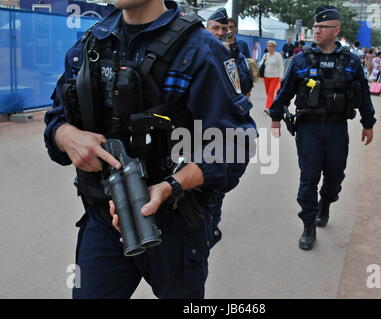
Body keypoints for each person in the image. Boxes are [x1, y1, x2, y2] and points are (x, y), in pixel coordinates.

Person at [44, 0, 256, 299]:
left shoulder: (200, 50)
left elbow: (233, 145)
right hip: (104, 216)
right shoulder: (91, 43)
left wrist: (170, 186)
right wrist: (66, 135)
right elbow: (56, 117)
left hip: (177, 220)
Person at [269, 5, 376, 251]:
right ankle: (308, 224)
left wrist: (367, 123)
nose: (316, 30)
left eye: (322, 27)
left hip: (337, 128)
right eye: (315, 26)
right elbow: (284, 92)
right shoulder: (301, 59)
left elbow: (363, 95)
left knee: (335, 175)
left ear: (336, 29)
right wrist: (276, 117)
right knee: (308, 178)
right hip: (309, 129)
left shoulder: (350, 61)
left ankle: (325, 203)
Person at [206, 8, 253, 96]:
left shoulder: (237, 53)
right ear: (206, 29)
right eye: (215, 28)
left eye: (224, 29)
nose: (220, 33)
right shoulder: (198, 51)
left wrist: (232, 59)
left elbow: (245, 86)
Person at [262, 40, 284, 114]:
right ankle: (272, 103)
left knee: (271, 92)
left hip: (275, 76)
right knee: (268, 92)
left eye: (271, 46)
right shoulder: (265, 55)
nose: (269, 47)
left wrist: (281, 76)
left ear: (274, 47)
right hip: (266, 76)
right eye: (268, 46)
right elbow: (261, 64)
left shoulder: (278, 55)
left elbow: (281, 66)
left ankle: (268, 107)